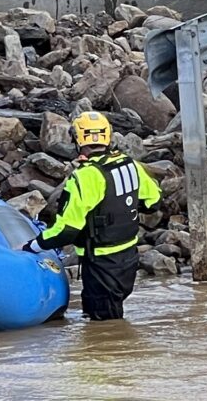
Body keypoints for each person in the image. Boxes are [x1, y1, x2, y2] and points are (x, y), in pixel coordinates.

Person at [28, 111, 161, 321]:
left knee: (104, 328)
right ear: (107, 137)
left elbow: (66, 231)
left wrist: (33, 246)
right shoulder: (130, 165)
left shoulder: (84, 177)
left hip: (100, 263)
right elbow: (153, 202)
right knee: (107, 318)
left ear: (78, 140)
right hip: (128, 258)